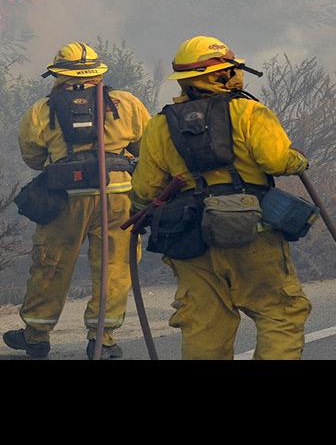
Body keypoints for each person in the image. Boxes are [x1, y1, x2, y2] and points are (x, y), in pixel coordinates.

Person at [131, 35, 311, 360]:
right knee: (280, 313)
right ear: (220, 75)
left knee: (205, 324)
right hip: (252, 235)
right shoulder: (250, 112)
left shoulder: (159, 125)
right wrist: (297, 160)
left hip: (191, 239)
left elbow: (145, 190)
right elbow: (276, 160)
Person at [3, 42, 151, 359]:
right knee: (114, 267)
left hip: (65, 199)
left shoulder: (41, 111)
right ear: (99, 73)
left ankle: (36, 335)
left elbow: (33, 158)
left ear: (57, 75)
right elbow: (147, 149)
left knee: (51, 264)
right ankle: (104, 338)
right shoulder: (126, 104)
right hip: (117, 197)